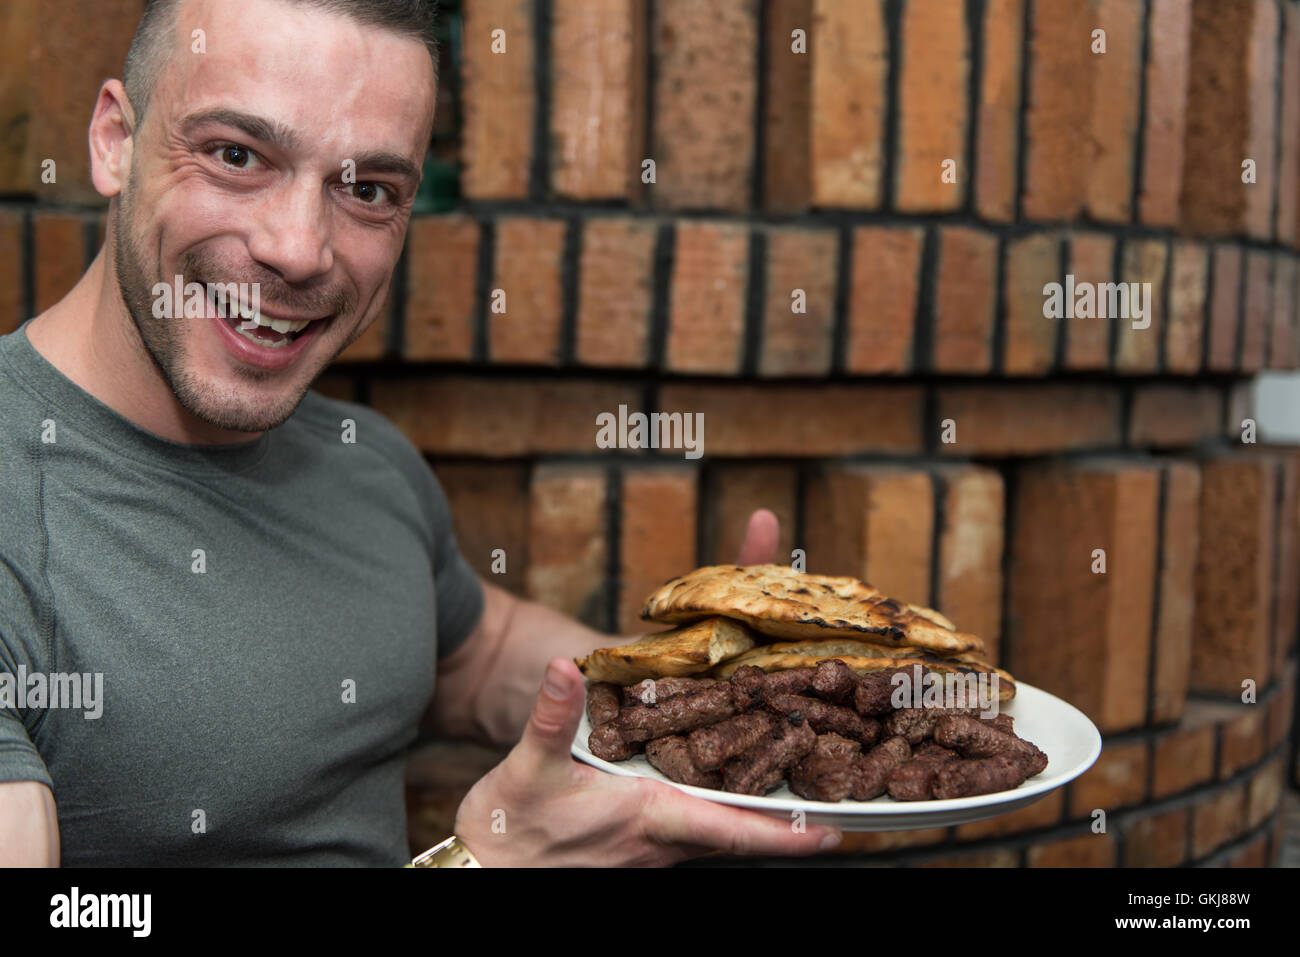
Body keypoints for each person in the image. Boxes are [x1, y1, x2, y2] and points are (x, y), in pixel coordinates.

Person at [0, 0, 841, 866]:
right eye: (237, 155)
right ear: (113, 141)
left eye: (367, 191)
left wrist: (723, 689)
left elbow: (472, 656)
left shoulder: (366, 463)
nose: (298, 248)